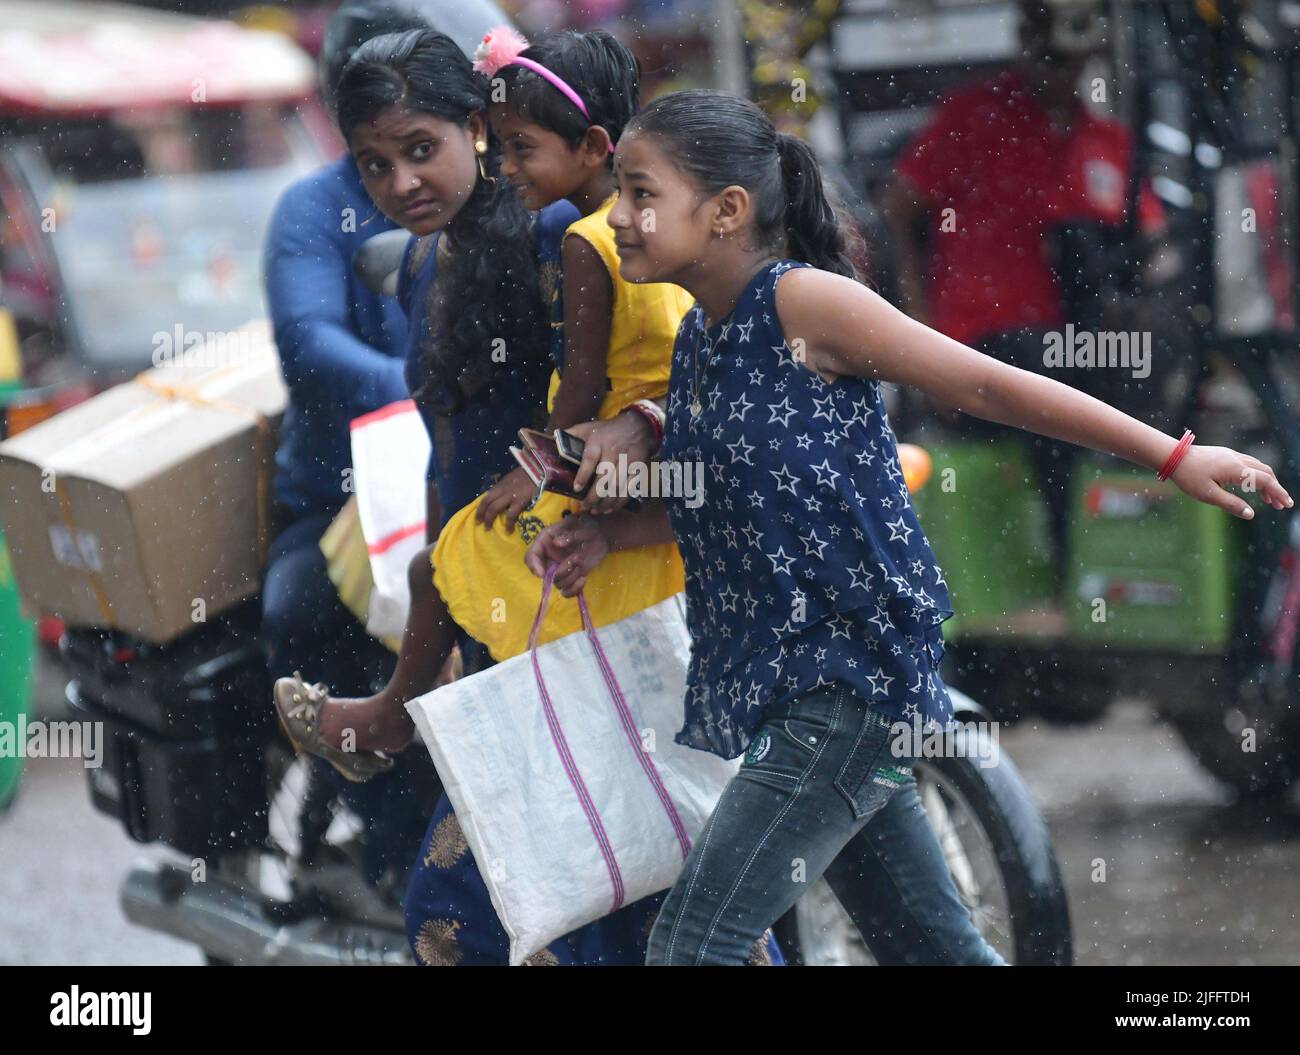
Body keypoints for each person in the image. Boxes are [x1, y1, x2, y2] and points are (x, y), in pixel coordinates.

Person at [523, 88, 1292, 966]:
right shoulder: (703, 335)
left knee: (693, 946)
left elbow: (985, 384)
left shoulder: (805, 305)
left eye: (640, 191)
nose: (616, 216)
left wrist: (1170, 456)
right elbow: (723, 499)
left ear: (727, 210)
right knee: (934, 952)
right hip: (794, 684)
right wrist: (605, 536)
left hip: (848, 681)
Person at [272, 27, 750, 965]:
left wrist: (630, 436)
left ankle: (389, 715)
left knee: (523, 898)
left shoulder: (560, 239)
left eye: (422, 150)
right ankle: (395, 711)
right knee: (601, 884)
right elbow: (447, 446)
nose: (403, 181)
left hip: (578, 589)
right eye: (375, 165)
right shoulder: (421, 260)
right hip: (499, 599)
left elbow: (685, 355)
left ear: (478, 131)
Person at [880, 0, 1166, 589]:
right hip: (978, 341)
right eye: (1040, 31)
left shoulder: (1105, 140)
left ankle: (1132, 564)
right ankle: (1070, 572)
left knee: (1146, 366)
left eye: (1068, 40)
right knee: (1055, 379)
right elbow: (898, 210)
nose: (1054, 57)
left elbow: (1155, 240)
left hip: (1074, 338)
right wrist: (922, 339)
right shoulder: (974, 116)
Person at [260, 0, 434, 895]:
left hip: (471, 480)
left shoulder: (479, 196)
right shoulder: (310, 210)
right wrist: (425, 385)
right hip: (339, 501)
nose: (402, 169)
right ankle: (359, 817)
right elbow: (308, 341)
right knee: (308, 608)